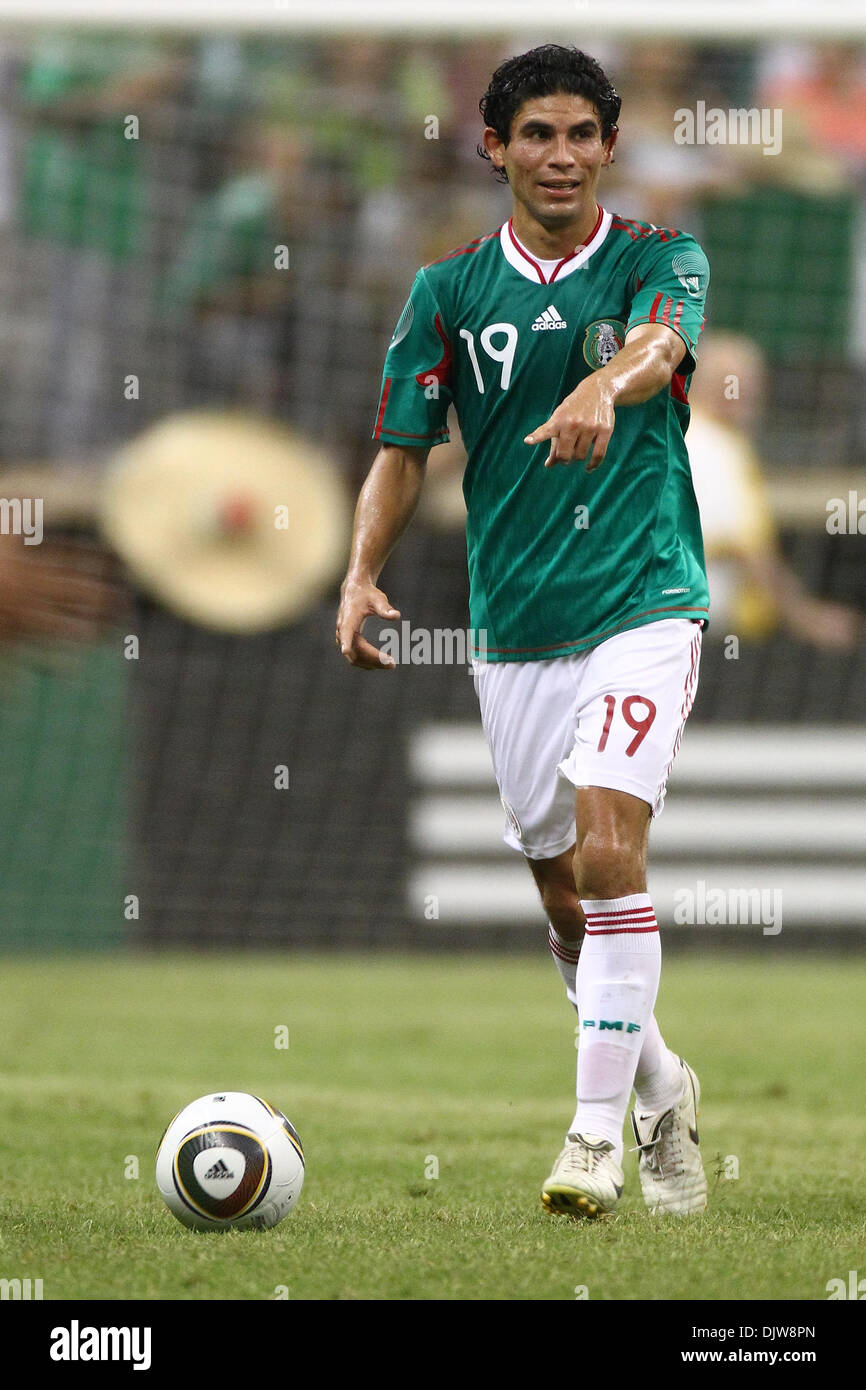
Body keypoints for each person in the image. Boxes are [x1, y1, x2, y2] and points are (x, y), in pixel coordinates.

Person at [337, 44, 710, 1220]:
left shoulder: (659, 258)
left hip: (643, 597)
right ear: (492, 146)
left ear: (609, 145)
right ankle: (658, 1082)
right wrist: (357, 576)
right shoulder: (445, 293)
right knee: (563, 898)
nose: (560, 156)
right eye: (535, 135)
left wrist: (607, 384)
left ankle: (595, 1138)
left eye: (581, 135)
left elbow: (659, 344)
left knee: (610, 855)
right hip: (514, 625)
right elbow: (403, 452)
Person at [686, 332, 863, 648]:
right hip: (705, 636)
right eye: (736, 383)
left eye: (753, 382)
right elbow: (748, 555)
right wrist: (808, 619)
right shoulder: (708, 445)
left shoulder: (707, 438)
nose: (749, 393)